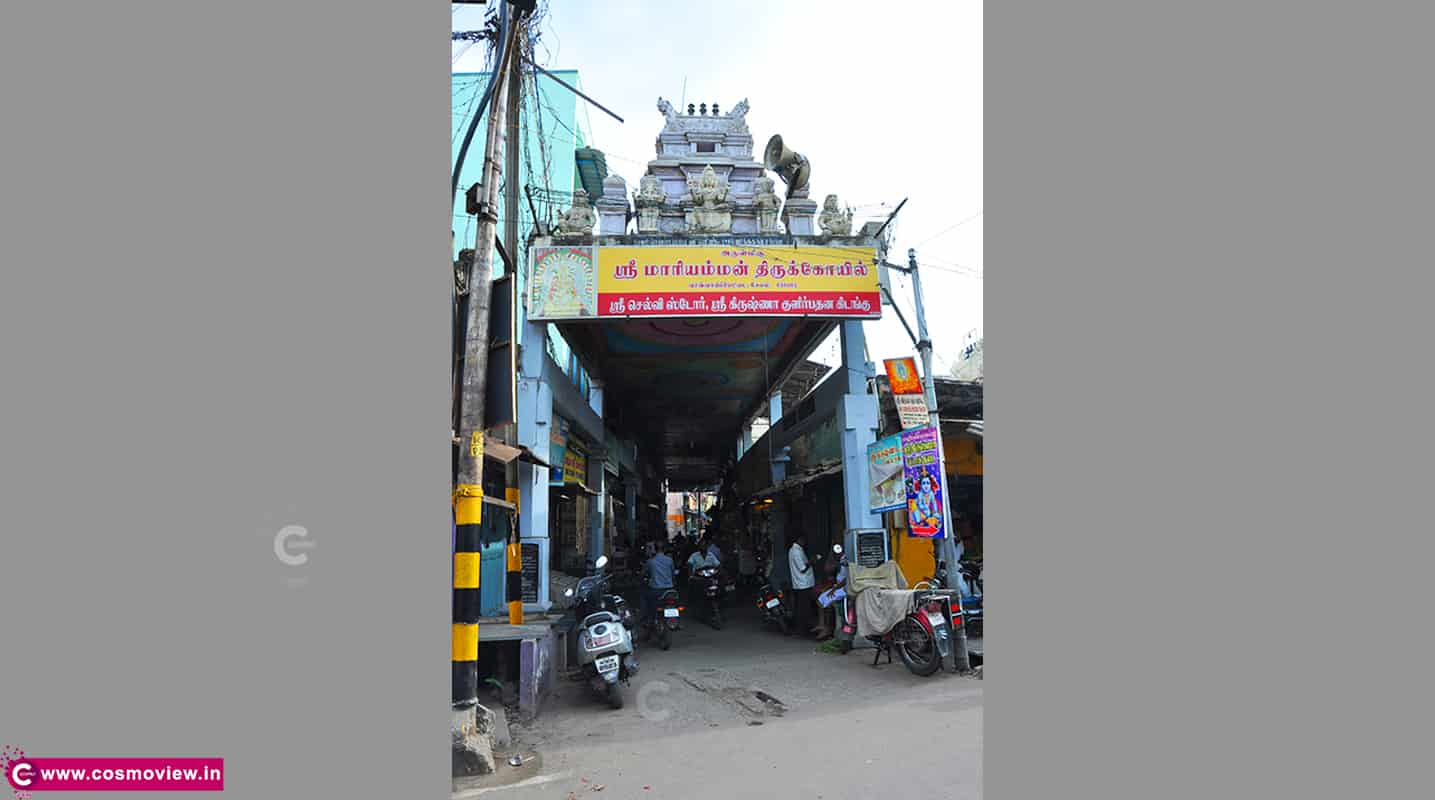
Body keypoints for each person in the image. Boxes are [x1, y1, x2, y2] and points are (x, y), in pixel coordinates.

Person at [641, 540, 675, 636]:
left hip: (656, 591)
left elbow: (643, 574)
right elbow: (673, 574)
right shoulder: (670, 560)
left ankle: (648, 620)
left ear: (654, 550)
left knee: (645, 599)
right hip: (669, 590)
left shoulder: (650, 562)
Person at [788, 533, 815, 636]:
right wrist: (812, 561)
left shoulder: (796, 550)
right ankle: (801, 629)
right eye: (804, 539)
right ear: (799, 539)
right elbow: (802, 568)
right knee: (803, 608)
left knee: (802, 607)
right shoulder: (796, 551)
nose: (805, 542)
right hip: (803, 584)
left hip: (801, 583)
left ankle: (801, 627)